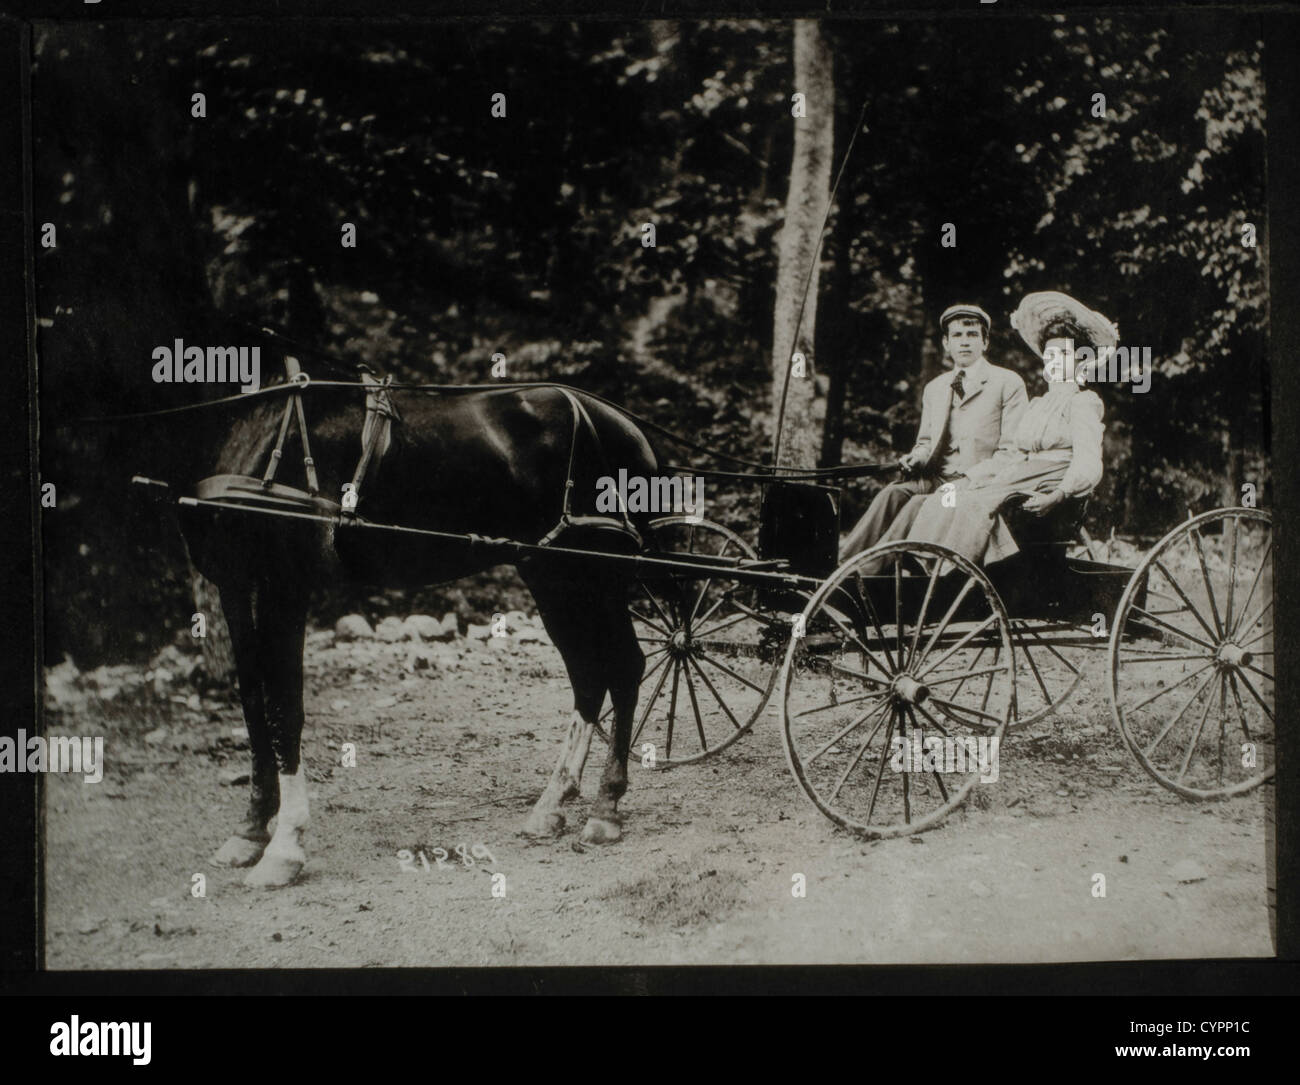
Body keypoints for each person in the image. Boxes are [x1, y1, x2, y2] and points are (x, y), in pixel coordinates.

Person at [868, 292, 1115, 568]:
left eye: (1065, 355)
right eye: (1050, 355)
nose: (1056, 361)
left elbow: (1088, 462)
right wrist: (974, 478)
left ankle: (954, 568)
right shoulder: (1040, 404)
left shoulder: (1083, 403)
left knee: (970, 505)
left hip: (1049, 482)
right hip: (1021, 475)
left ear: (1081, 360)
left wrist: (1058, 495)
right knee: (945, 497)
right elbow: (1016, 455)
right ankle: (912, 562)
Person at [838, 303, 1028, 560]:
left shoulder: (1008, 383)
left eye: (972, 335)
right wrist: (917, 457)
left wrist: (969, 479)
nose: (964, 342)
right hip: (937, 478)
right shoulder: (935, 388)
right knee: (892, 494)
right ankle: (839, 565)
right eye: (957, 336)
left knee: (918, 504)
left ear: (985, 342)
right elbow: (925, 442)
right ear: (946, 343)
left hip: (977, 485)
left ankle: (866, 573)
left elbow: (1013, 453)